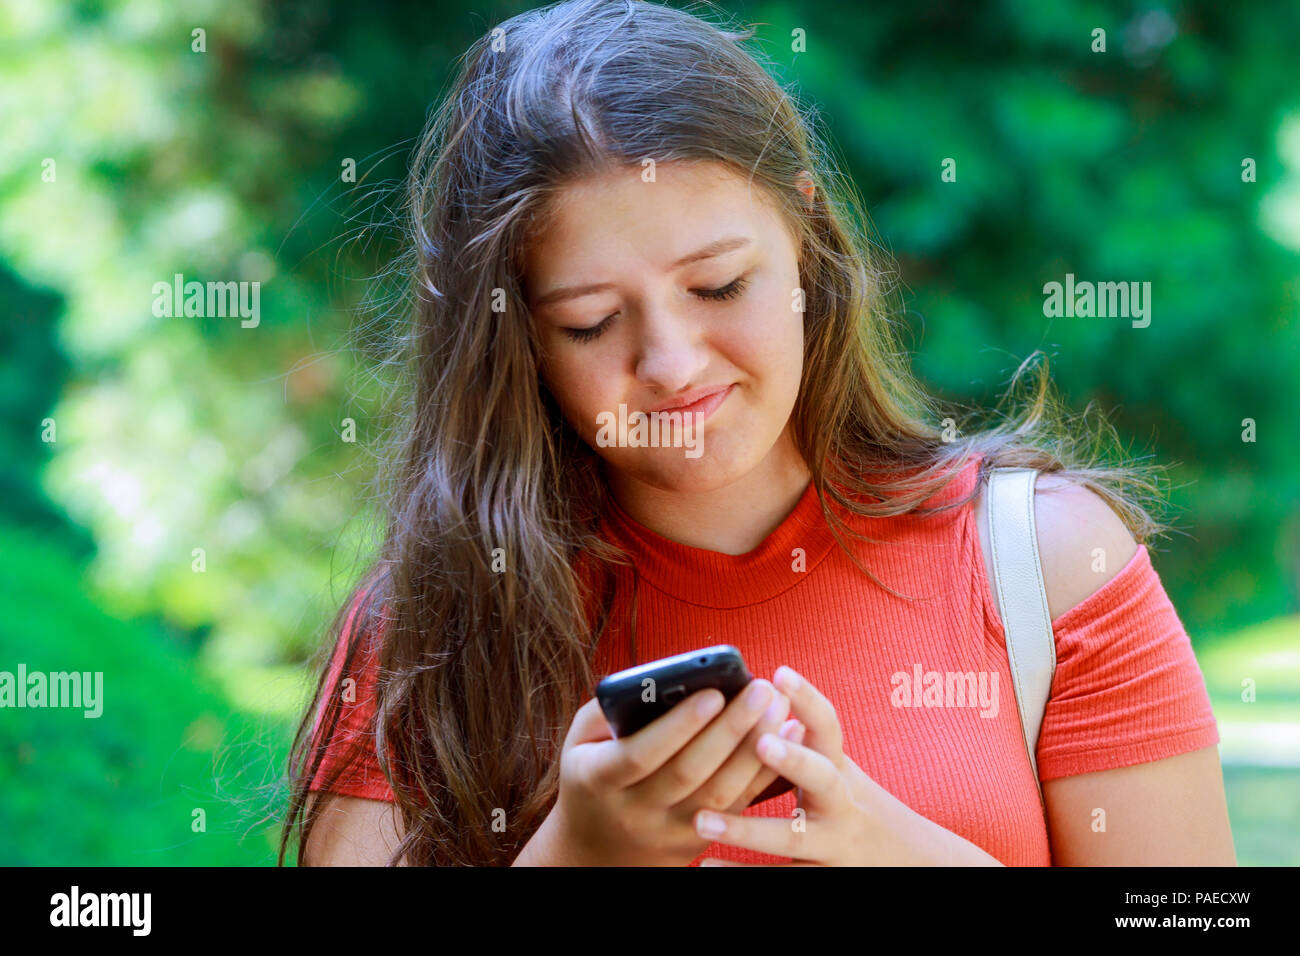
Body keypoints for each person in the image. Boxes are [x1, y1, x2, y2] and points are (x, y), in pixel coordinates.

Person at [280, 0, 1235, 866]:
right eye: (589, 321)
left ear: (805, 240)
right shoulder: (432, 629)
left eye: (720, 286)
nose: (673, 364)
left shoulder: (1046, 564)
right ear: (517, 337)